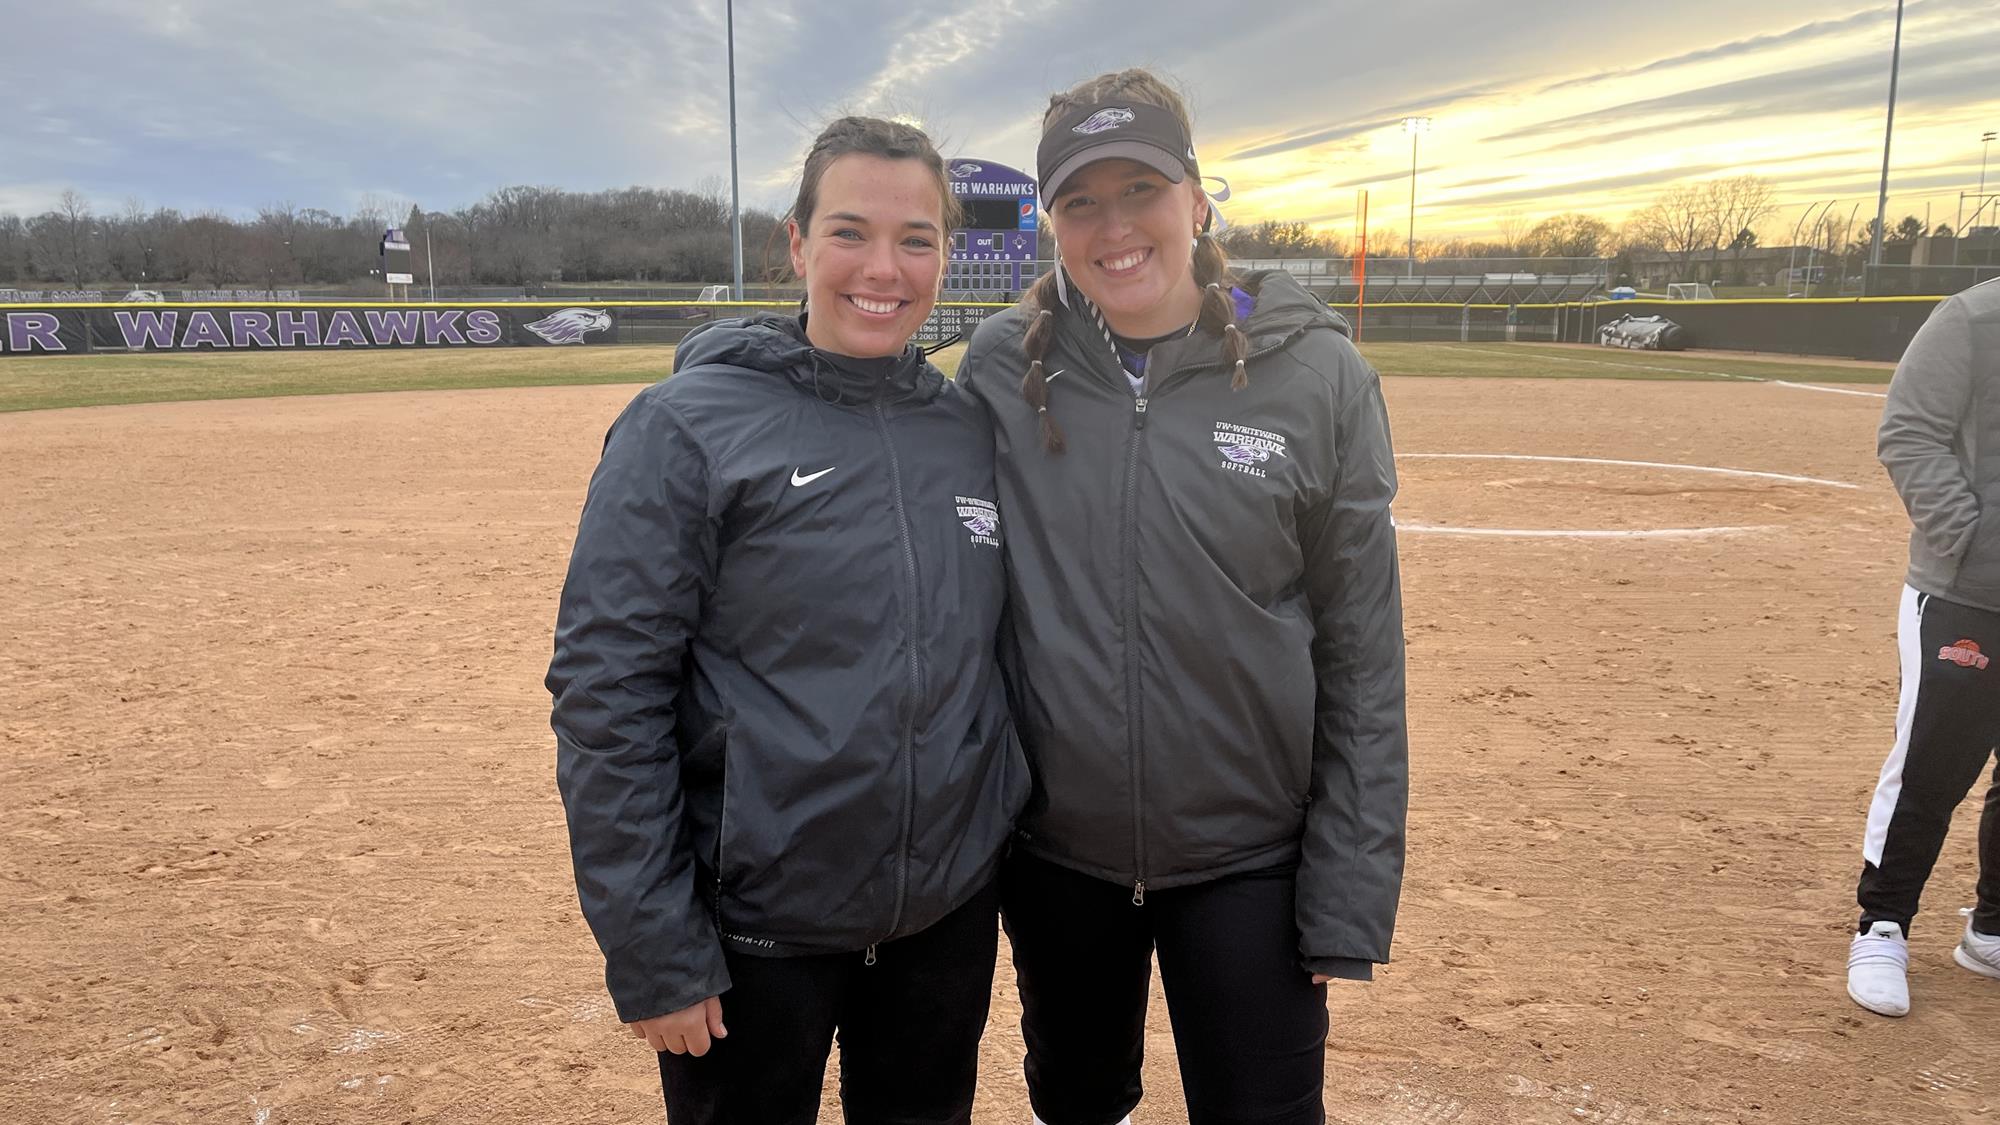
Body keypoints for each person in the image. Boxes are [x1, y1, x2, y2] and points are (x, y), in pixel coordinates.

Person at [546, 115, 1028, 1122]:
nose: (883, 269)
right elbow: (607, 695)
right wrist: (654, 950)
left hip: (938, 924)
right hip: (750, 935)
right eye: (849, 231)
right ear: (798, 243)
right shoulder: (684, 427)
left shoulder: (967, 429)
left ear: (946, 252)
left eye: (916, 239)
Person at [957, 69, 1407, 1125]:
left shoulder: (1316, 377)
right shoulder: (998, 367)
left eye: (1140, 189)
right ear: (1051, 223)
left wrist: (1344, 892)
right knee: (1074, 1104)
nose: (1113, 227)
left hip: (1252, 861)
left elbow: (1361, 656)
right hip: (1055, 857)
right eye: (1079, 201)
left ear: (1196, 198)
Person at [1847, 276, 2000, 1018]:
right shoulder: (1973, 316)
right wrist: (1968, 541)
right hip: (1970, 592)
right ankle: (1883, 923)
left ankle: (1991, 928)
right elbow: (1908, 430)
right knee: (1932, 765)